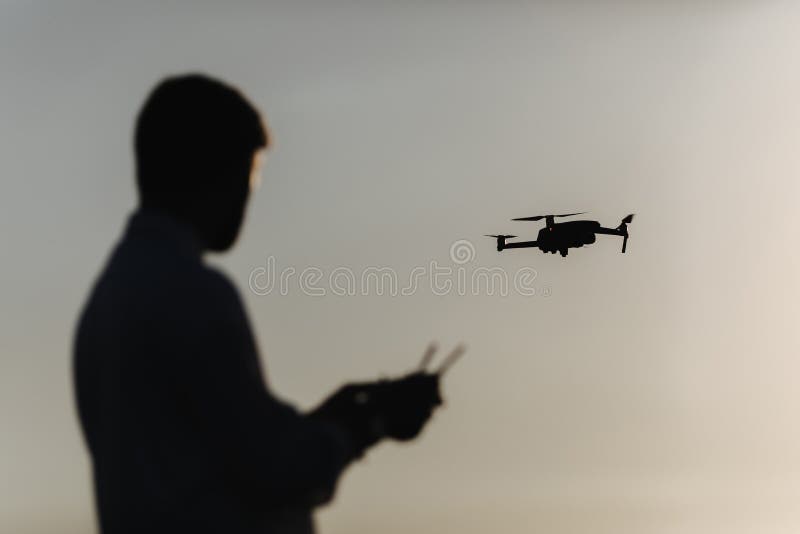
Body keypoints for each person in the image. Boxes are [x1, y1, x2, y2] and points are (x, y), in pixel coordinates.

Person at [73, 74, 448, 534]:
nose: (248, 197)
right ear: (215, 169)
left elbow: (215, 455)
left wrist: (327, 420)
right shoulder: (195, 293)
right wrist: (367, 424)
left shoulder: (108, 301)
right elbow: (277, 469)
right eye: (249, 174)